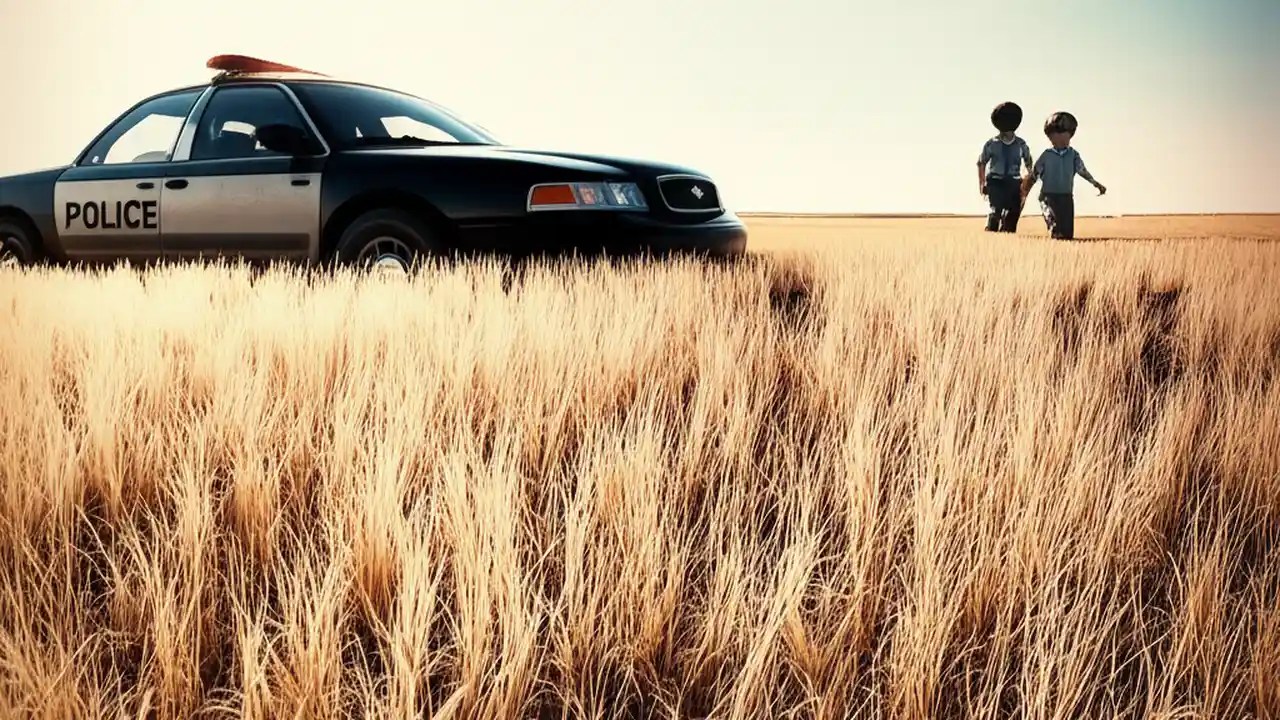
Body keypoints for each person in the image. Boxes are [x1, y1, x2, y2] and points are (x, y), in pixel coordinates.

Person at [1022, 111, 1106, 240]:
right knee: (1054, 224)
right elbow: (1035, 173)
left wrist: (1095, 183)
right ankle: (1053, 229)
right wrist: (1025, 189)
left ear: (1070, 135)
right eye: (1055, 135)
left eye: (1064, 134)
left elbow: (1082, 171)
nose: (1059, 138)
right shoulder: (1047, 155)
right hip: (1048, 195)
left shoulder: (1073, 155)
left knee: (1067, 234)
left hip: (1066, 196)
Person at [977, 101, 1034, 233]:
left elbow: (1028, 161)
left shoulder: (1020, 144)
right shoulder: (992, 144)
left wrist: (1028, 179)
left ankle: (1007, 235)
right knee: (995, 210)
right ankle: (991, 231)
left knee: (1013, 212)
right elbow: (981, 162)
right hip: (995, 181)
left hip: (1014, 182)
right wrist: (982, 183)